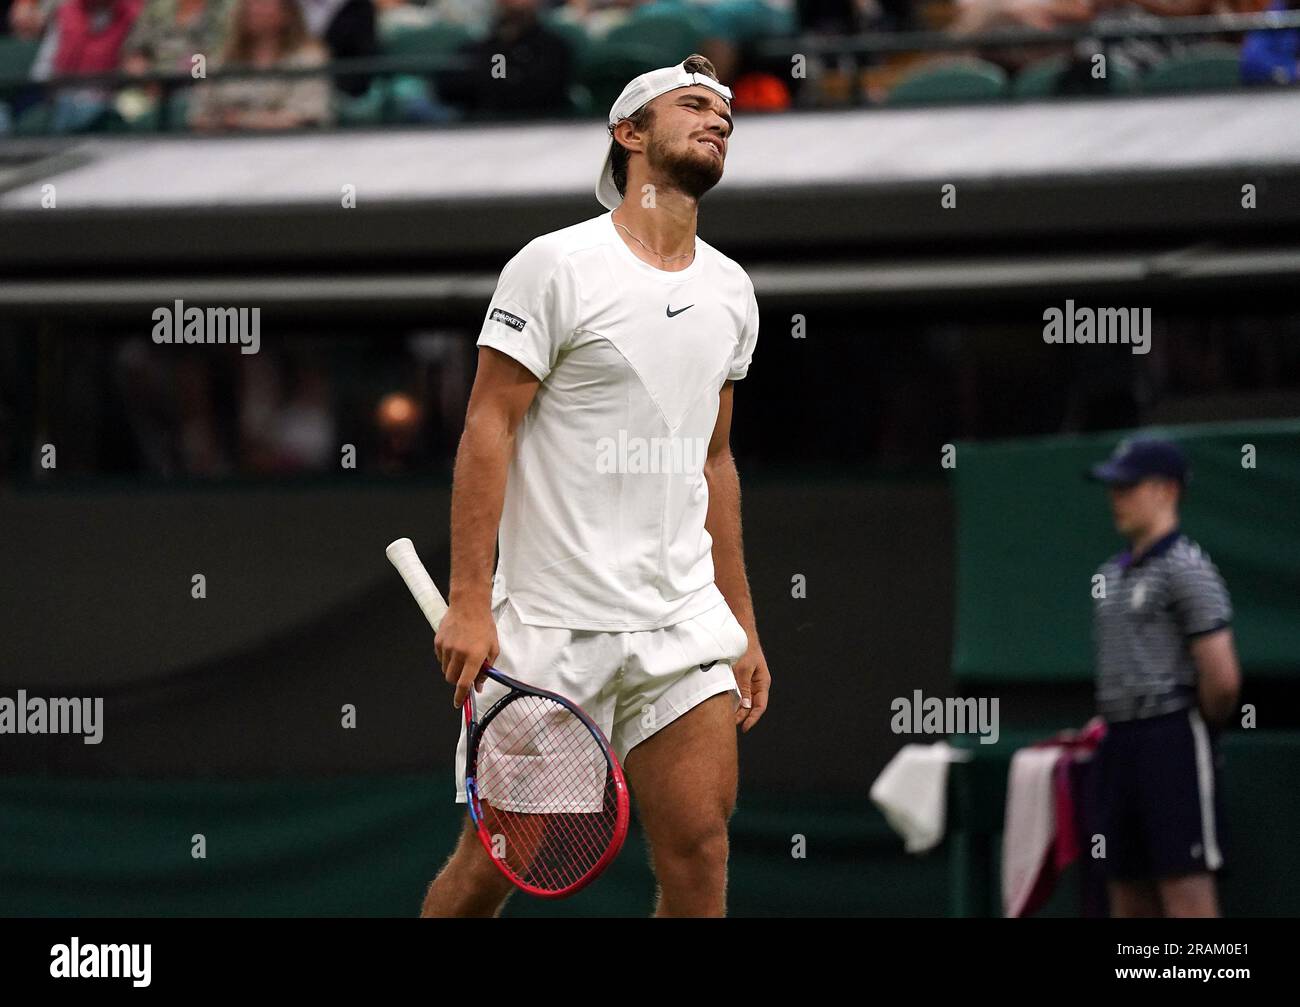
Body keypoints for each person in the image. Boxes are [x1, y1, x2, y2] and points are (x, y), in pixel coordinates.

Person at [422, 54, 769, 918]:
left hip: (682, 623)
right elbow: (486, 428)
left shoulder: (731, 290)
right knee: (499, 861)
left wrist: (741, 623)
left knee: (700, 849)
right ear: (629, 133)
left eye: (725, 115)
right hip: (550, 623)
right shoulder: (554, 265)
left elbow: (715, 460)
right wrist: (471, 598)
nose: (717, 120)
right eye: (692, 105)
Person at [1086, 437, 1242, 918]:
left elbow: (1223, 679)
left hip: (1170, 742)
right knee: (1126, 891)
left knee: (1186, 891)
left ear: (1166, 490)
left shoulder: (1188, 569)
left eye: (1129, 487)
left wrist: (1185, 727)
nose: (1117, 497)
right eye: (1114, 487)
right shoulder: (1108, 577)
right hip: (1119, 744)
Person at [188, 0, 332, 130]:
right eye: (248, 4)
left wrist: (239, 119)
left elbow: (304, 117)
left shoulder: (310, 58)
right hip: (220, 149)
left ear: (287, 12)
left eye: (262, 3)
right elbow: (198, 116)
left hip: (289, 149)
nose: (253, 9)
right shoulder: (218, 59)